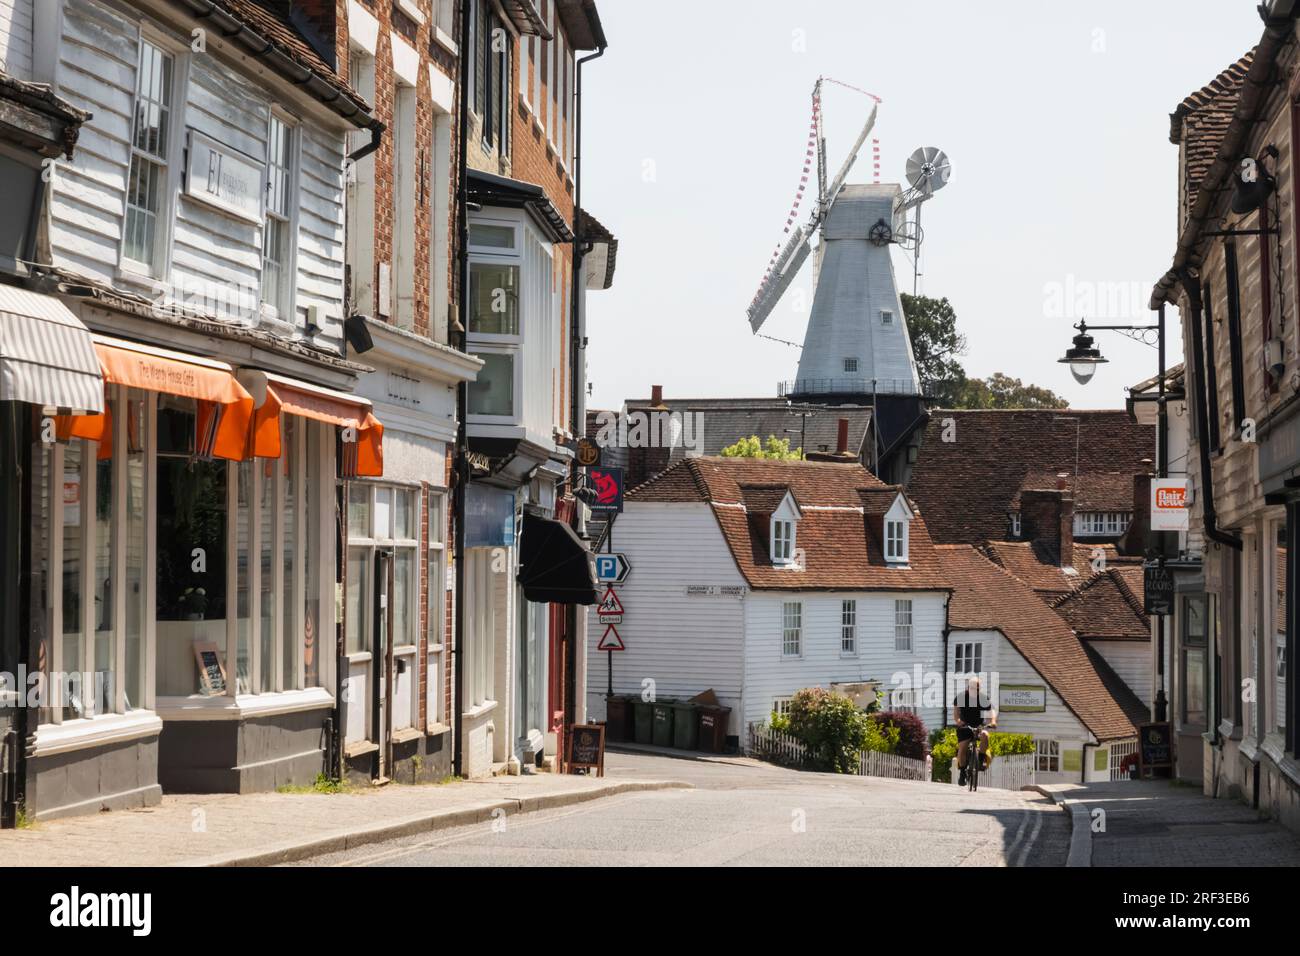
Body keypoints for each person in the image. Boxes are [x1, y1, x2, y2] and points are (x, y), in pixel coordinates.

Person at [953, 677, 996, 786]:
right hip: (964, 726)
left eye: (976, 688)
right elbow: (956, 712)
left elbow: (991, 710)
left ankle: (980, 760)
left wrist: (993, 721)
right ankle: (962, 772)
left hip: (978, 726)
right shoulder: (961, 697)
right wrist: (958, 721)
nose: (974, 690)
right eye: (971, 688)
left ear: (979, 688)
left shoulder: (983, 698)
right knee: (962, 747)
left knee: (985, 735)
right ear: (968, 687)